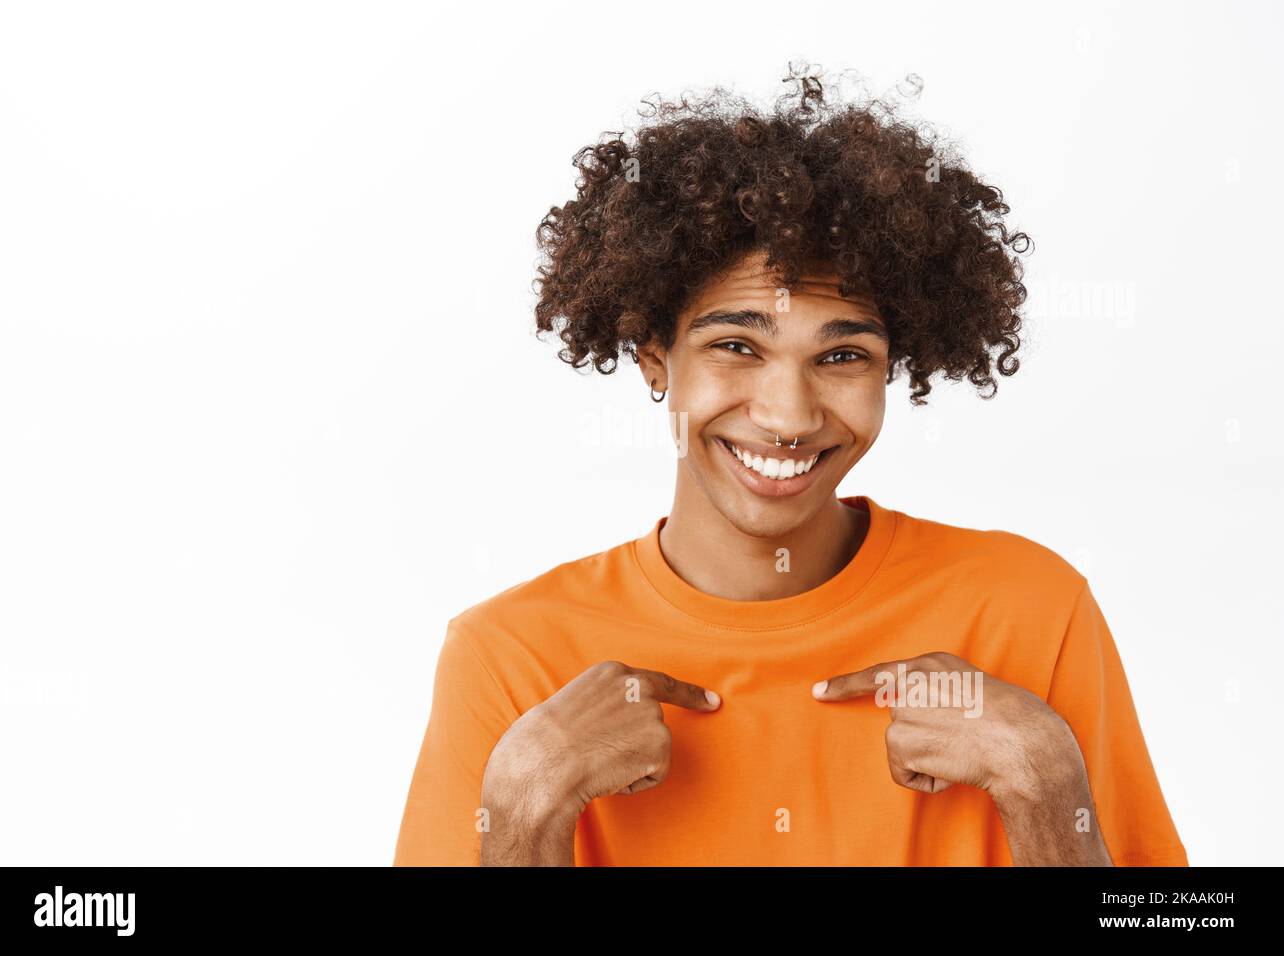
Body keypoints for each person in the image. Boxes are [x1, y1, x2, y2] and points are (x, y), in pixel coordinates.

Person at [392, 67, 1188, 867]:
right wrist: (524, 819)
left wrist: (1046, 787)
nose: (789, 415)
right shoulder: (508, 658)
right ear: (654, 361)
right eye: (737, 346)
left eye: (842, 355)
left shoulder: (1030, 612)